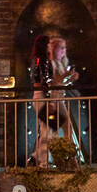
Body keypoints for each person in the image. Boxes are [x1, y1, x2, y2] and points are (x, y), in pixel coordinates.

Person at [48, 37, 81, 151]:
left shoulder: (61, 64)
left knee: (54, 130)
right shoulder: (51, 64)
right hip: (54, 99)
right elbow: (52, 82)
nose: (63, 50)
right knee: (65, 127)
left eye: (65, 48)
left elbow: (62, 83)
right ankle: (68, 155)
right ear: (54, 49)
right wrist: (65, 76)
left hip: (59, 98)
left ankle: (60, 155)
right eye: (61, 48)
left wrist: (71, 78)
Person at [29, 34, 56, 167]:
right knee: (47, 129)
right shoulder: (43, 61)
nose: (51, 46)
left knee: (47, 128)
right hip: (42, 97)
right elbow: (44, 81)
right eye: (49, 43)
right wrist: (50, 100)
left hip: (39, 96)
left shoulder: (37, 60)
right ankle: (42, 162)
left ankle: (36, 157)